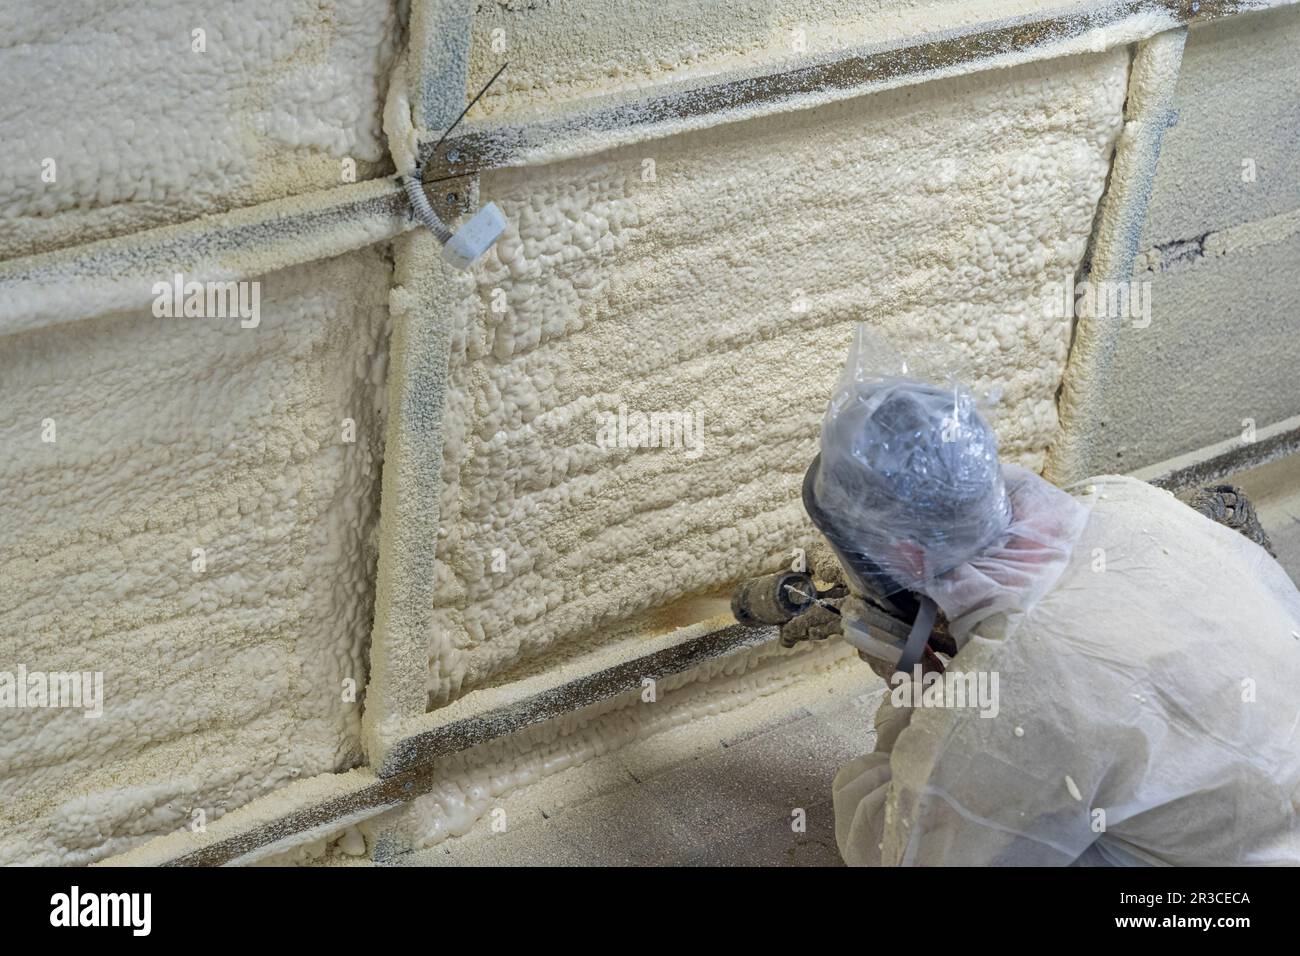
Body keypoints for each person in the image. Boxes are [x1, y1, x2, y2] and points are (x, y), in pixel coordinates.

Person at [814, 362, 1300, 866]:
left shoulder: (1002, 703)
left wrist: (912, 692)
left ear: (909, 557)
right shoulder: (1122, 500)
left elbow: (902, 850)